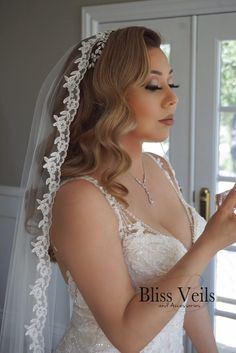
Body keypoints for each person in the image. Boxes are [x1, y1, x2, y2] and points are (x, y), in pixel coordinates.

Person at [1, 26, 236, 353]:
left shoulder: (160, 169)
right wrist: (209, 243)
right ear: (106, 99)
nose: (173, 96)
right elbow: (126, 336)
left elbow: (185, 288)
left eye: (172, 82)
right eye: (154, 85)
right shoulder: (80, 197)